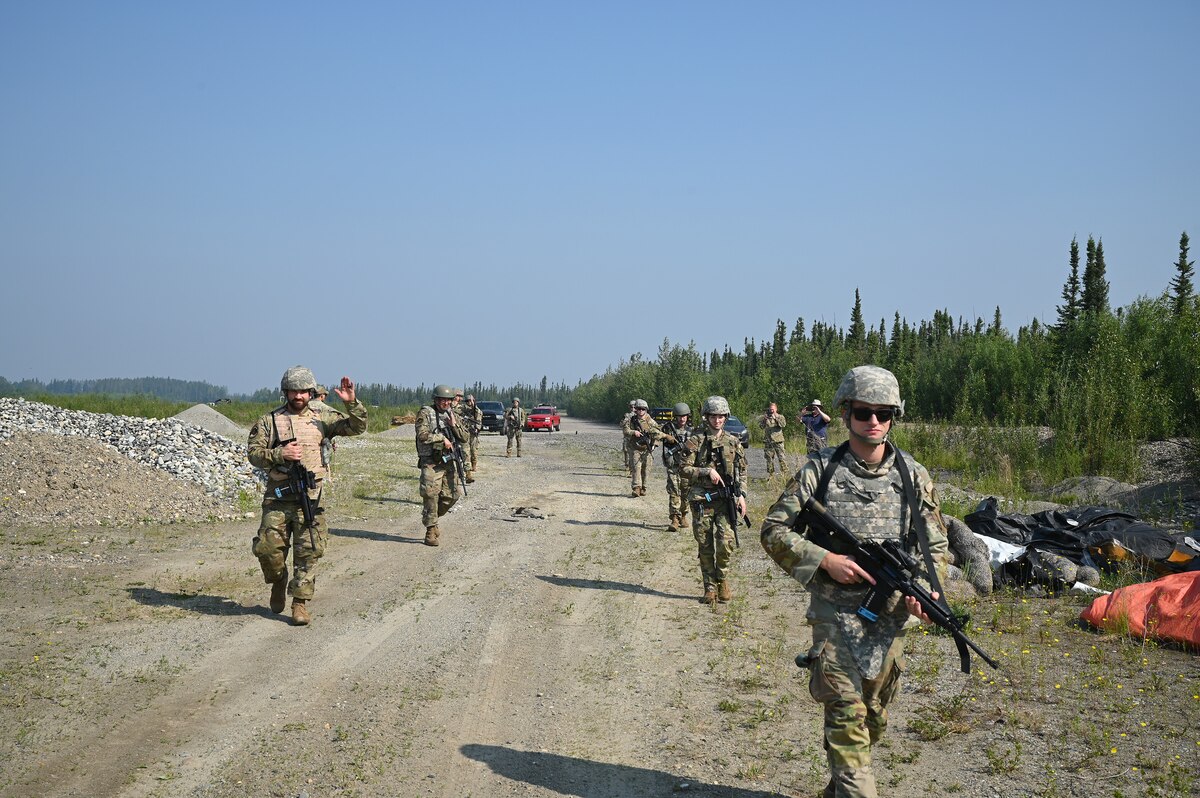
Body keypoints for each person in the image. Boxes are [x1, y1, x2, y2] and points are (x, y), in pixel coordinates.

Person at [760, 366, 948, 798]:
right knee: (847, 718)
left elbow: (935, 547)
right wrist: (825, 559)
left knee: (873, 721)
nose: (874, 422)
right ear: (846, 414)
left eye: (884, 413)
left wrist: (929, 594)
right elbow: (773, 529)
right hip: (834, 617)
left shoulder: (912, 476)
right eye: (864, 412)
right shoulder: (819, 472)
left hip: (890, 621)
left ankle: (839, 788)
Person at [247, 367, 367, 625]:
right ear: (285, 392)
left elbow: (357, 428)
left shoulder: (322, 416)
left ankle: (299, 604)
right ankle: (278, 580)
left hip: (310, 499)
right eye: (294, 391)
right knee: (268, 550)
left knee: (309, 551)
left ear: (310, 392)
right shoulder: (270, 420)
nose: (298, 396)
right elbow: (253, 454)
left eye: (303, 391)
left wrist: (352, 404)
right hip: (278, 499)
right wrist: (279, 455)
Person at [674, 396, 747, 603]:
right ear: (706, 417)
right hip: (702, 500)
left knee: (725, 543)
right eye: (713, 416)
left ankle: (722, 579)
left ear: (726, 417)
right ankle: (710, 587)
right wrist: (706, 471)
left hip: (726, 501)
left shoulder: (733, 441)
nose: (717, 420)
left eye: (721, 416)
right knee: (705, 545)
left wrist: (742, 496)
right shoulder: (695, 440)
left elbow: (742, 471)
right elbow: (683, 469)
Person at [415, 384, 469, 546]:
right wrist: (441, 438)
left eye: (448, 400)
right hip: (432, 461)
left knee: (452, 496)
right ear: (436, 400)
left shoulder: (452, 414)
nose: (445, 403)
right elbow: (422, 435)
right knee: (430, 494)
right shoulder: (426, 413)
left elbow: (465, 437)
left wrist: (454, 425)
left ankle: (433, 518)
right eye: (442, 400)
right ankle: (430, 530)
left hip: (450, 461)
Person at [660, 402, 693, 531]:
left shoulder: (691, 431)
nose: (682, 419)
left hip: (686, 466)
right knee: (674, 491)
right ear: (675, 416)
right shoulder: (668, 429)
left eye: (684, 416)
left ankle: (683, 516)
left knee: (686, 492)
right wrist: (666, 437)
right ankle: (674, 518)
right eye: (679, 416)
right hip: (673, 465)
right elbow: (655, 432)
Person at [623, 399, 663, 497]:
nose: (641, 411)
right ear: (635, 409)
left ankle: (644, 487)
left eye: (643, 409)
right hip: (635, 447)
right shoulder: (631, 419)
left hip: (647, 449)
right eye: (638, 409)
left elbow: (658, 434)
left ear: (646, 410)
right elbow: (625, 430)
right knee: (636, 468)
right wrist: (633, 432)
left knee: (646, 469)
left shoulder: (651, 422)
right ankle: (636, 488)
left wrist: (654, 445)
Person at [757, 402, 788, 476]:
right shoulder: (766, 417)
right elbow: (761, 427)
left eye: (773, 409)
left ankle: (785, 474)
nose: (771, 411)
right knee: (769, 459)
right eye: (770, 409)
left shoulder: (780, 417)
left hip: (778, 441)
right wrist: (764, 419)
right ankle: (771, 475)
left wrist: (775, 418)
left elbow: (783, 425)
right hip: (769, 441)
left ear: (776, 409)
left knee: (782, 458)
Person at [461, 393, 483, 479]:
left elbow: (479, 420)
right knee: (465, 452)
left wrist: (477, 429)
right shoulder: (463, 409)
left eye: (471, 401)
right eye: (468, 401)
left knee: (474, 450)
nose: (469, 402)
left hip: (473, 433)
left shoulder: (477, 410)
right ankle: (467, 469)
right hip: (465, 432)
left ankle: (474, 465)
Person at [619, 399, 636, 475]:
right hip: (627, 436)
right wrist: (626, 418)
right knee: (626, 451)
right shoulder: (627, 415)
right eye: (631, 407)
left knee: (633, 453)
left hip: (635, 437)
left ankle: (632, 469)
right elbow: (621, 425)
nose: (633, 409)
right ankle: (627, 466)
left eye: (634, 407)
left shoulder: (640, 416)